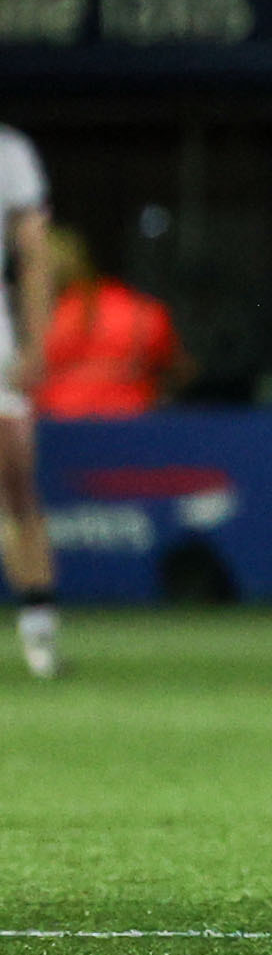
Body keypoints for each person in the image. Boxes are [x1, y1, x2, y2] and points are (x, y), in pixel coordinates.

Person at [1, 119, 54, 675]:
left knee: (14, 478)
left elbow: (34, 254)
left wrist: (36, 341)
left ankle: (39, 625)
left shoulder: (10, 152)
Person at [31, 226, 177, 416]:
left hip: (56, 422)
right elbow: (175, 370)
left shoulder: (41, 319)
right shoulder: (142, 310)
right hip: (131, 420)